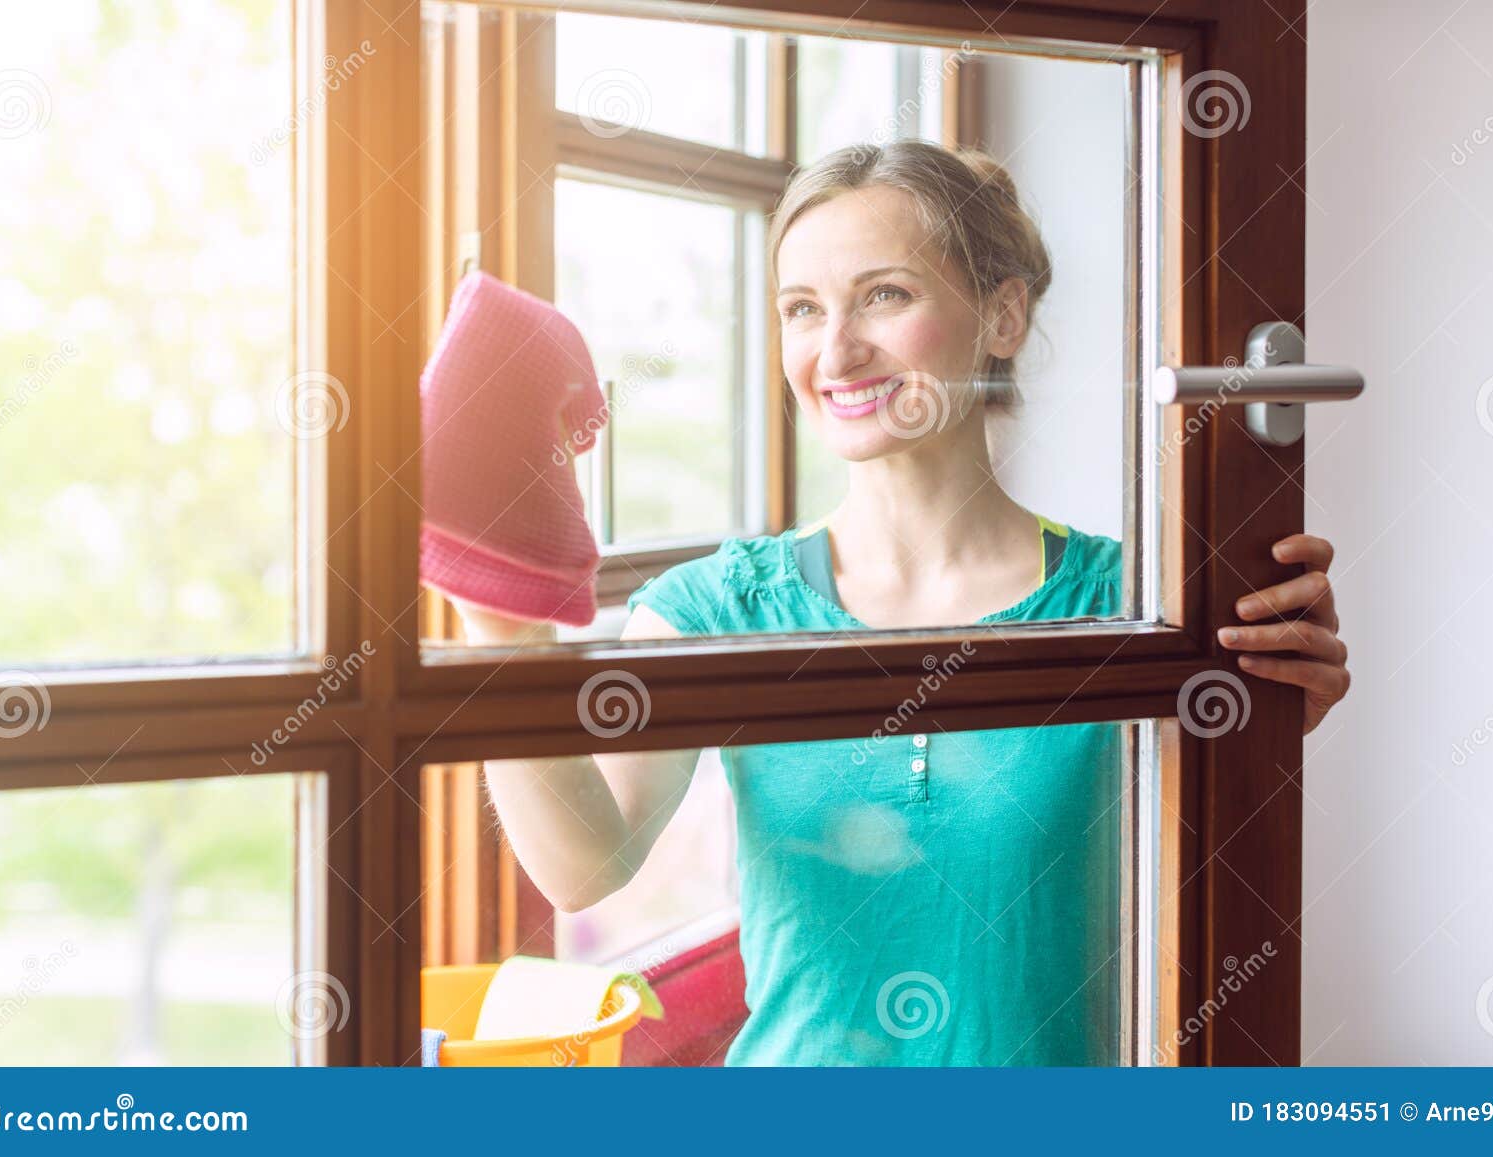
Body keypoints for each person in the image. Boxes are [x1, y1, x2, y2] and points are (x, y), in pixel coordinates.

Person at [455, 139, 1351, 1065]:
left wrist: (1275, 707)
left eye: (884, 294)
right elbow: (582, 866)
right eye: (803, 309)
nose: (834, 351)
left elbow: (1210, 875)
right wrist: (498, 621)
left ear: (1002, 315)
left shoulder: (1133, 605)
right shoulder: (714, 607)